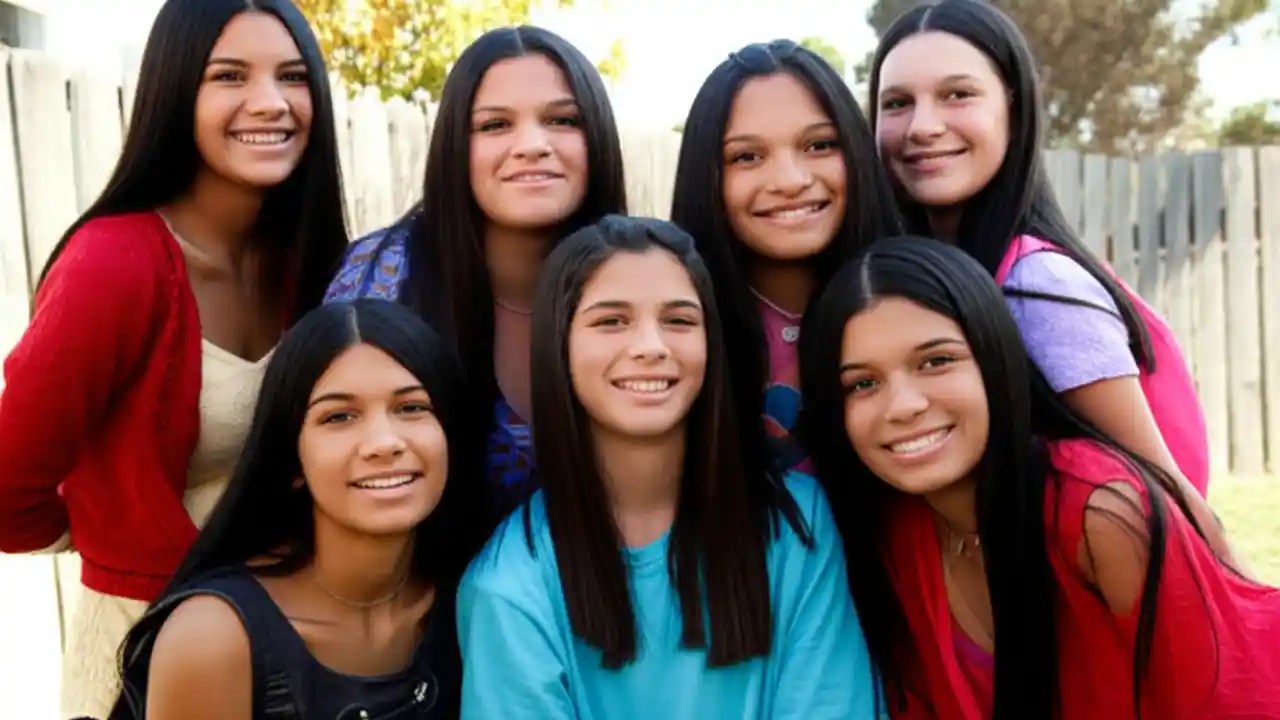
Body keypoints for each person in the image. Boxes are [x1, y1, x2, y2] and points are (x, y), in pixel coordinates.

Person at [0, 1, 348, 716]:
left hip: (288, 652)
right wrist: (107, 530)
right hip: (143, 658)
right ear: (175, 90)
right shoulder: (112, 264)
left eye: (292, 75)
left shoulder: (316, 263)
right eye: (230, 75)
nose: (271, 102)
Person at [799, 236, 1280, 719]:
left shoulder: (1097, 511)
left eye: (935, 361)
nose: (904, 406)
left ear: (995, 360)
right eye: (863, 384)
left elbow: (1228, 698)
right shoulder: (897, 533)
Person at [457, 215, 875, 719]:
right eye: (611, 321)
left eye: (679, 320)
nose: (652, 347)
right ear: (559, 345)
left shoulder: (796, 526)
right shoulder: (508, 587)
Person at [869, 0, 1212, 502]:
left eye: (957, 94)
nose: (922, 126)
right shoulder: (923, 272)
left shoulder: (1039, 283)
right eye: (897, 103)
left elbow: (1171, 497)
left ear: (1014, 108)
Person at [109, 299, 488, 720]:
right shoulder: (213, 638)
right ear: (291, 460)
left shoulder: (482, 600)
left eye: (411, 408)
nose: (385, 442)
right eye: (339, 416)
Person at [325, 25, 627, 506]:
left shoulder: (638, 276)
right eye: (494, 125)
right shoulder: (383, 276)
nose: (532, 144)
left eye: (562, 120)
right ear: (454, 147)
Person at [670, 39, 900, 473]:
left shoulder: (918, 303)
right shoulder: (674, 328)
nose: (790, 180)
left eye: (819, 145)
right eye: (747, 156)